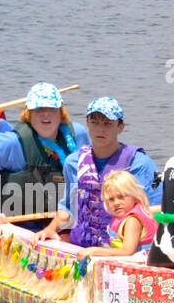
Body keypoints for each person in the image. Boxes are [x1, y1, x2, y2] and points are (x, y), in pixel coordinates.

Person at [0, 81, 88, 221]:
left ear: (61, 112)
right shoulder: (10, 143)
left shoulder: (77, 135)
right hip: (18, 224)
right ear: (28, 113)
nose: (46, 115)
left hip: (62, 223)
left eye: (52, 109)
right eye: (39, 109)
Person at [37, 97, 162, 247]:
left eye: (108, 124)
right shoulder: (73, 163)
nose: (100, 129)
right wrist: (50, 229)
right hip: (83, 246)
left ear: (120, 127)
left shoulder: (140, 164)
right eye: (95, 123)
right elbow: (68, 208)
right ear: (87, 125)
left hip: (127, 248)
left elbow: (158, 209)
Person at [74, 171, 157, 257]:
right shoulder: (131, 212)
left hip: (142, 260)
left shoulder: (132, 220)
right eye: (111, 199)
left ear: (135, 196)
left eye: (121, 197)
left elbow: (128, 251)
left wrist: (95, 250)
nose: (116, 203)